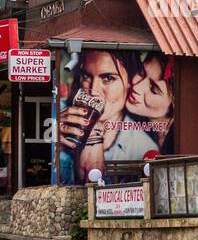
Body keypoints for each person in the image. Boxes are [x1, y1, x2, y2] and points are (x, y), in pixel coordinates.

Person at [58, 49, 160, 183]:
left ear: (131, 82)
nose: (94, 90)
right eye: (86, 76)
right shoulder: (59, 111)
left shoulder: (142, 147)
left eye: (108, 78)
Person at [125, 51, 175, 152]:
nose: (136, 87)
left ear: (175, 102)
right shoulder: (122, 119)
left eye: (153, 89)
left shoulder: (183, 138)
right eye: (142, 73)